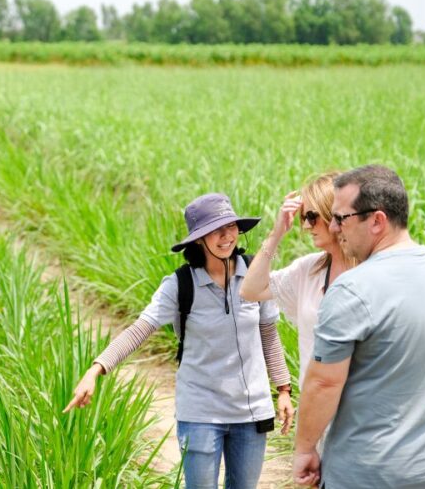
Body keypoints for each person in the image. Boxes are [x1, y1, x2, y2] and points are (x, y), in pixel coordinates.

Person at [64, 192, 294, 489]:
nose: (226, 237)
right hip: (200, 412)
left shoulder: (255, 273)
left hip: (251, 413)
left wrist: (284, 389)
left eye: (231, 227)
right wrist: (96, 369)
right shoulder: (180, 285)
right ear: (199, 239)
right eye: (215, 230)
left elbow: (268, 334)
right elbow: (139, 330)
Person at [292, 165, 425, 488]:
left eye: (341, 218)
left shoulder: (352, 290)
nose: (335, 229)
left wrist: (305, 448)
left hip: (370, 475)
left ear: (377, 221)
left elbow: (322, 383)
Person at [240, 172, 355, 388]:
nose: (307, 226)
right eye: (303, 217)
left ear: (334, 214)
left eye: (312, 216)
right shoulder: (308, 270)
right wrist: (276, 235)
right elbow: (250, 290)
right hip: (315, 406)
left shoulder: (371, 271)